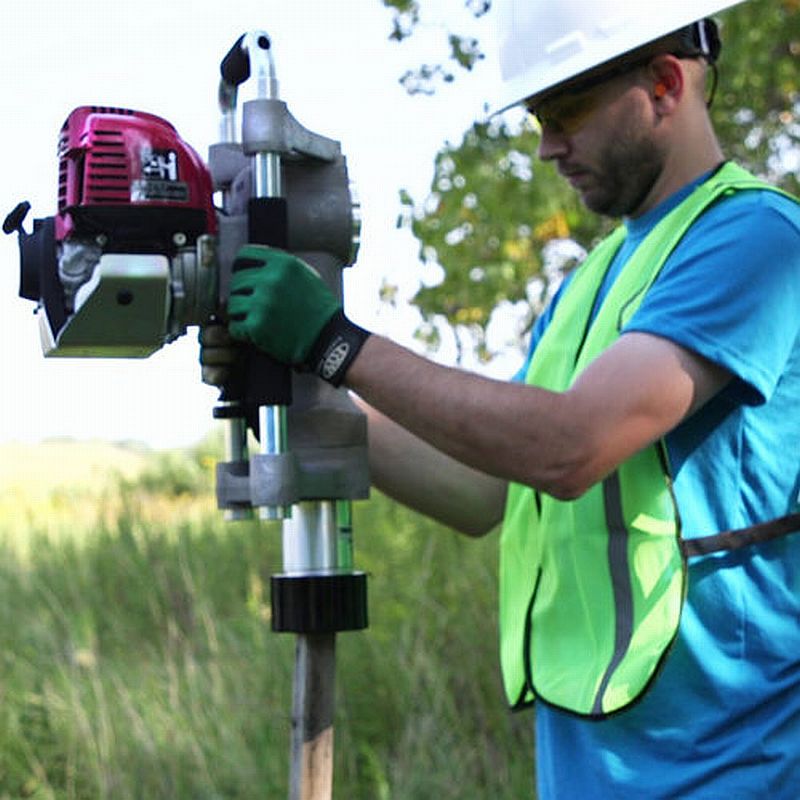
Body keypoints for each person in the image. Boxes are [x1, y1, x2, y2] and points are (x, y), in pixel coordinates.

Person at [203, 0, 800, 796]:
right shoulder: (592, 282)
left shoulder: (753, 239)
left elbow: (570, 446)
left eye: (566, 112)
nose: (548, 146)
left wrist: (333, 343)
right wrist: (296, 386)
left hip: (731, 772)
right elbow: (485, 488)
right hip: (592, 772)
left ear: (663, 84)